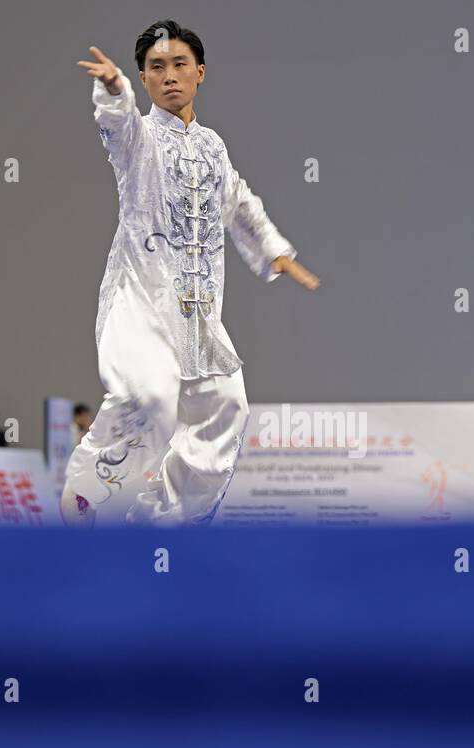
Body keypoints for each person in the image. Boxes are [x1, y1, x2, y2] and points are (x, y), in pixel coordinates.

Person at [62, 21, 320, 528]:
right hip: (141, 300)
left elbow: (240, 202)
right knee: (151, 399)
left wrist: (275, 252)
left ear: (200, 73)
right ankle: (89, 495)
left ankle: (167, 520)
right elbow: (118, 127)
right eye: (156, 68)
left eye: (180, 65)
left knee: (228, 408)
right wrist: (113, 91)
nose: (170, 76)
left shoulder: (213, 147)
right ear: (144, 77)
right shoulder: (140, 139)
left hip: (199, 313)